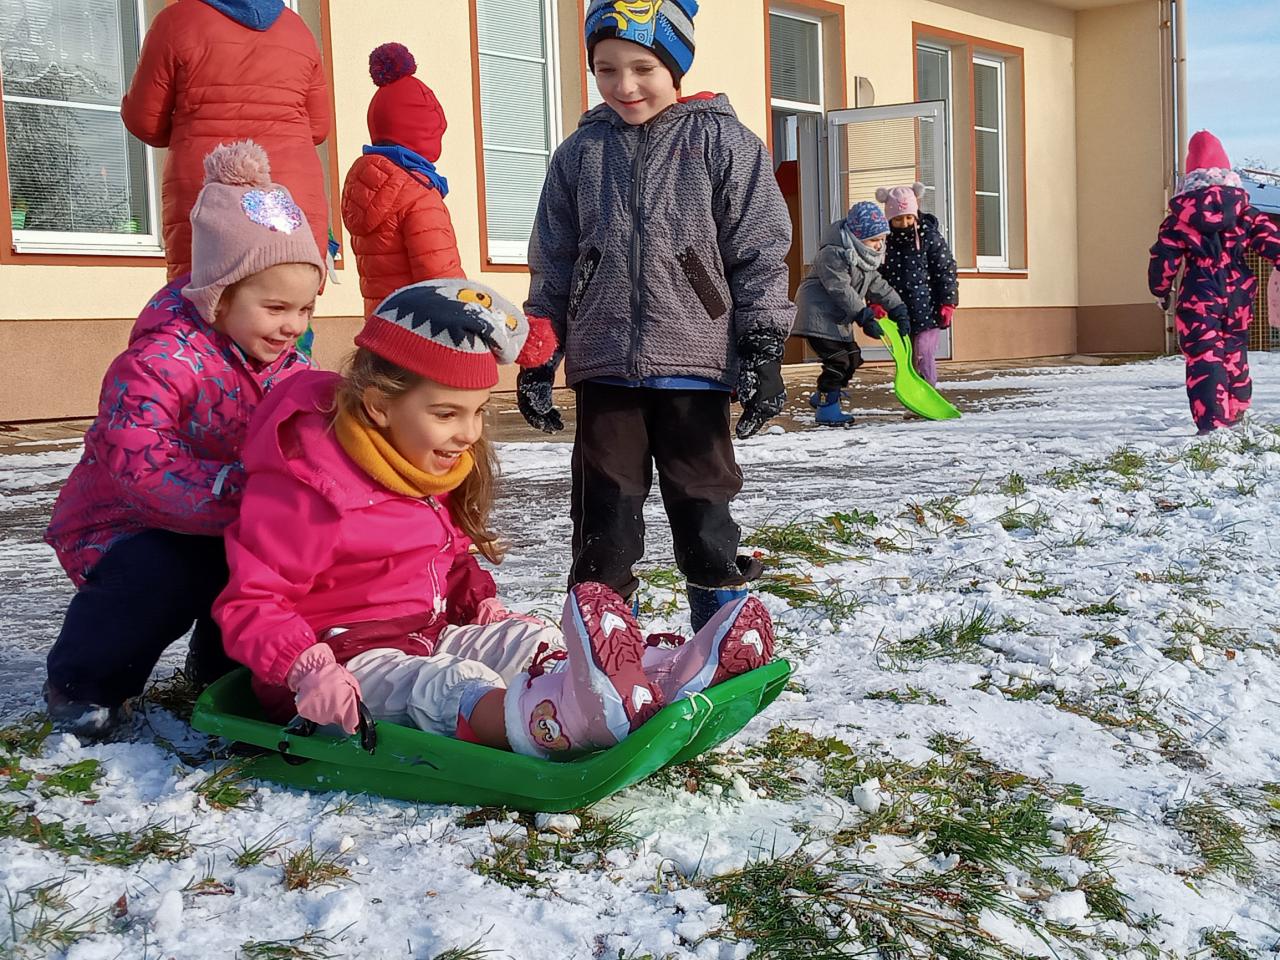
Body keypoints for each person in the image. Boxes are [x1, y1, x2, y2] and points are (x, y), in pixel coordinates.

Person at [213, 279, 775, 758]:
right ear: (379, 405)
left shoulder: (419, 463)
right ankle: (560, 720)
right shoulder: (309, 486)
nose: (468, 432)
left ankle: (660, 675)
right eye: (446, 414)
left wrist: (476, 600)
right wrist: (304, 669)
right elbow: (252, 602)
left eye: (478, 411)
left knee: (525, 638)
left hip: (426, 633)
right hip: (338, 664)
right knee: (453, 684)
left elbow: (445, 555)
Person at [516, 0, 795, 631]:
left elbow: (759, 247)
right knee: (603, 509)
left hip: (695, 361)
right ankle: (605, 639)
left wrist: (762, 347)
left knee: (703, 504)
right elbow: (554, 260)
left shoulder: (723, 142)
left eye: (642, 66)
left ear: (676, 66)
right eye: (606, 68)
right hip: (604, 362)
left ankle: (723, 630)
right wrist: (540, 354)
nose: (625, 85)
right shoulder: (580, 153)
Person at [43, 142, 325, 737]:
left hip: (222, 517)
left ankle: (223, 670)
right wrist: (242, 490)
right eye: (275, 307)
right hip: (125, 524)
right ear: (218, 296)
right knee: (160, 578)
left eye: (305, 309)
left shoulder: (288, 370)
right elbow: (138, 461)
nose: (293, 326)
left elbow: (317, 433)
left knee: (266, 563)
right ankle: (86, 685)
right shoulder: (159, 362)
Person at [121, 0, 331, 280]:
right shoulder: (298, 30)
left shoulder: (177, 20)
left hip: (210, 192)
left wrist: (191, 125)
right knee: (286, 306)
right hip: (288, 196)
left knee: (209, 302)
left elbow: (144, 121)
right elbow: (318, 127)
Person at [1150, 131, 1280, 434]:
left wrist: (1160, 289)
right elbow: (1272, 241)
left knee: (1203, 352)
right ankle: (1236, 410)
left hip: (1199, 291)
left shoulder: (1180, 216)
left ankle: (1211, 421)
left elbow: (1164, 258)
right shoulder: (1245, 212)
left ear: (1191, 172)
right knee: (1234, 347)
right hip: (1238, 291)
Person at [342, 42, 465, 317]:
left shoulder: (366, 185)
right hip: (421, 335)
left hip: (380, 329)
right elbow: (442, 279)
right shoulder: (418, 194)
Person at [793, 201, 910, 426]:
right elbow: (840, 288)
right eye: (874, 240)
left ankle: (825, 394)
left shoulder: (864, 257)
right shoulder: (834, 254)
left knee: (853, 358)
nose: (879, 245)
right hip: (817, 315)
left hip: (836, 318)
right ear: (858, 236)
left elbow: (878, 285)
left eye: (882, 240)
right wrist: (863, 315)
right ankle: (827, 409)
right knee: (839, 361)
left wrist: (898, 308)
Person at [876, 182, 959, 386]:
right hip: (898, 311)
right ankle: (914, 396)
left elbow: (945, 270)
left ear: (915, 214)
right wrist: (875, 301)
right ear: (889, 219)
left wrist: (948, 303)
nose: (904, 223)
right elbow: (877, 277)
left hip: (928, 309)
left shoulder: (929, 237)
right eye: (897, 219)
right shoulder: (885, 243)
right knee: (907, 357)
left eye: (908, 217)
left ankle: (929, 391)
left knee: (923, 352)